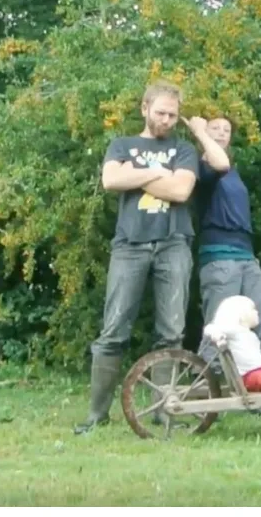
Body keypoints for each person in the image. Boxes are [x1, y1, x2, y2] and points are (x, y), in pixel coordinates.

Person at [74, 80, 204, 435]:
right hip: (129, 244)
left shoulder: (184, 149)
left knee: (172, 331)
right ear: (144, 108)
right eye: (160, 112)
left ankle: (164, 411)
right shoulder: (122, 144)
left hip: (174, 242)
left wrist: (136, 175)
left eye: (173, 115)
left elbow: (181, 190)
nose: (166, 120)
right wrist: (158, 172)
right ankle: (96, 415)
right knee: (113, 329)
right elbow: (110, 181)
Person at [191, 115, 261, 372]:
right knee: (217, 330)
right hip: (219, 257)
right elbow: (216, 165)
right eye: (214, 129)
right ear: (203, 134)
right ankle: (207, 389)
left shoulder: (234, 172)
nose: (221, 133)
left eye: (226, 129)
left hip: (246, 255)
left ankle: (260, 384)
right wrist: (199, 132)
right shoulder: (202, 167)